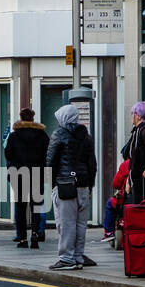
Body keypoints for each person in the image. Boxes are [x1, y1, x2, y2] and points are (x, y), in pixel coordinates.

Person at [47, 103, 96, 270]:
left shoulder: (59, 134)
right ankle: (77, 256)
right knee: (81, 224)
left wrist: (51, 184)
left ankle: (66, 258)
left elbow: (51, 161)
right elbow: (92, 164)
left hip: (65, 184)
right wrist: (90, 185)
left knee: (66, 223)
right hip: (83, 184)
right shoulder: (86, 136)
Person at [3, 106, 50, 249]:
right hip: (37, 174)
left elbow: (8, 154)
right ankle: (35, 235)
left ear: (21, 118)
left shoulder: (14, 136)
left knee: (21, 207)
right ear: (33, 118)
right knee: (36, 206)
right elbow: (47, 154)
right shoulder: (42, 135)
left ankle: (22, 238)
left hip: (19, 174)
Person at [122, 101, 145, 204]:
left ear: (138, 116)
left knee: (143, 210)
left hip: (144, 183)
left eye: (133, 113)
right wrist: (129, 179)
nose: (132, 116)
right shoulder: (139, 130)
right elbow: (133, 159)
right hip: (138, 181)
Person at [101, 158, 130, 242]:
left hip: (125, 200)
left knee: (110, 205)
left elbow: (116, 184)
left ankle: (109, 232)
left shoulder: (126, 164)